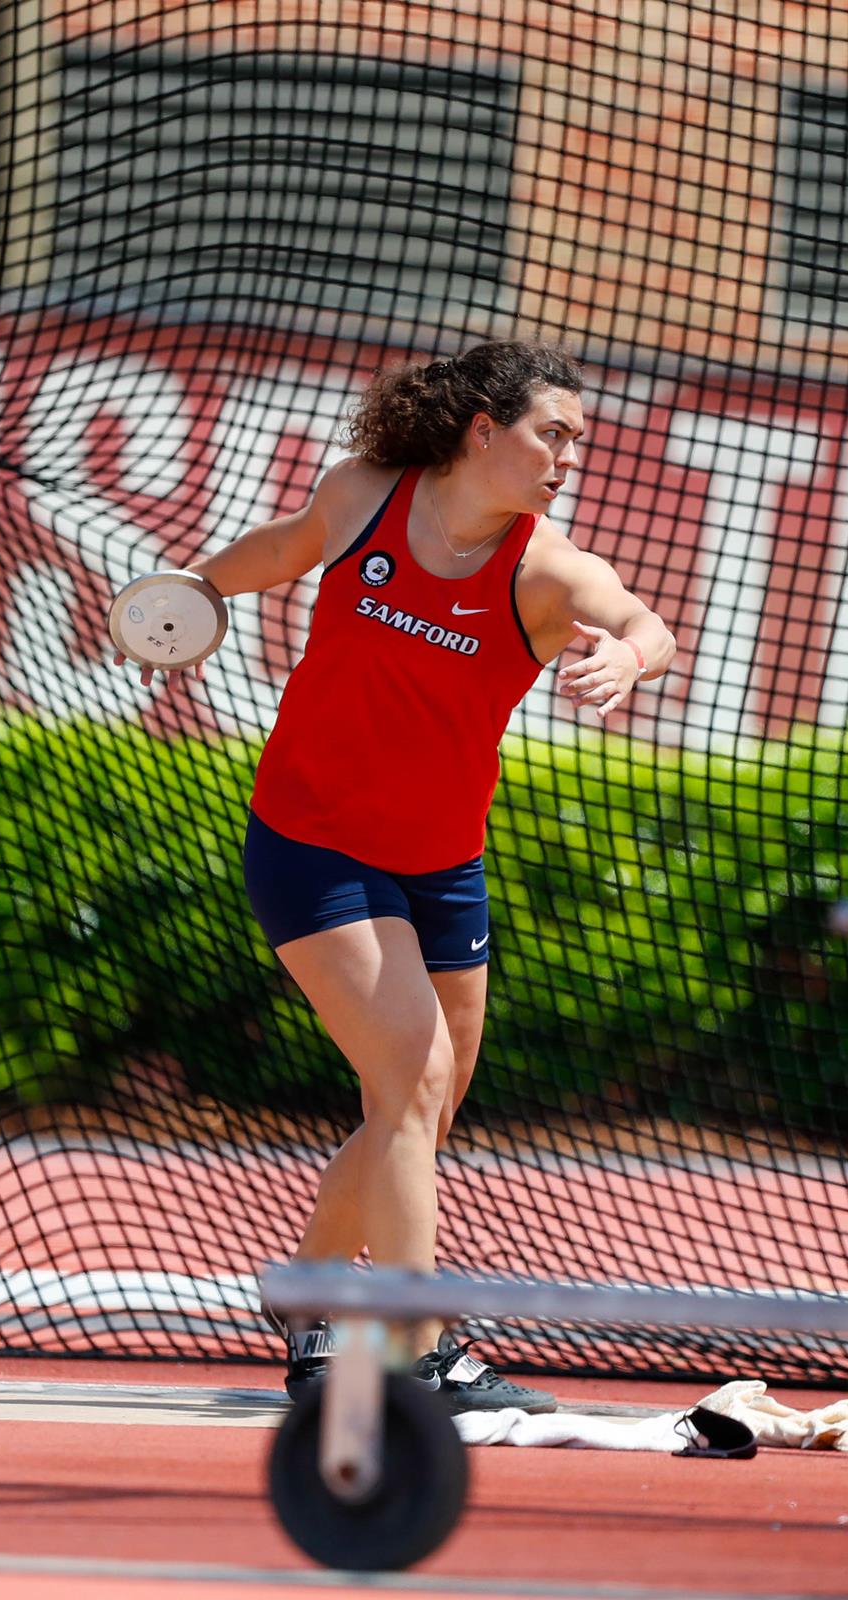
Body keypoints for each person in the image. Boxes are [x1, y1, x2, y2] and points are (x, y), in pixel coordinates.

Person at [119, 340, 676, 1411]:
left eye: (577, 441)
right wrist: (185, 595)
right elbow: (280, 548)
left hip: (440, 864)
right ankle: (416, 1348)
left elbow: (639, 619)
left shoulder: (546, 569)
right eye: (550, 434)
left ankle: (310, 1294)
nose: (568, 456)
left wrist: (628, 657)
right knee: (411, 1088)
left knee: (418, 1104)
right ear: (482, 430)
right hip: (311, 839)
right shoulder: (366, 497)